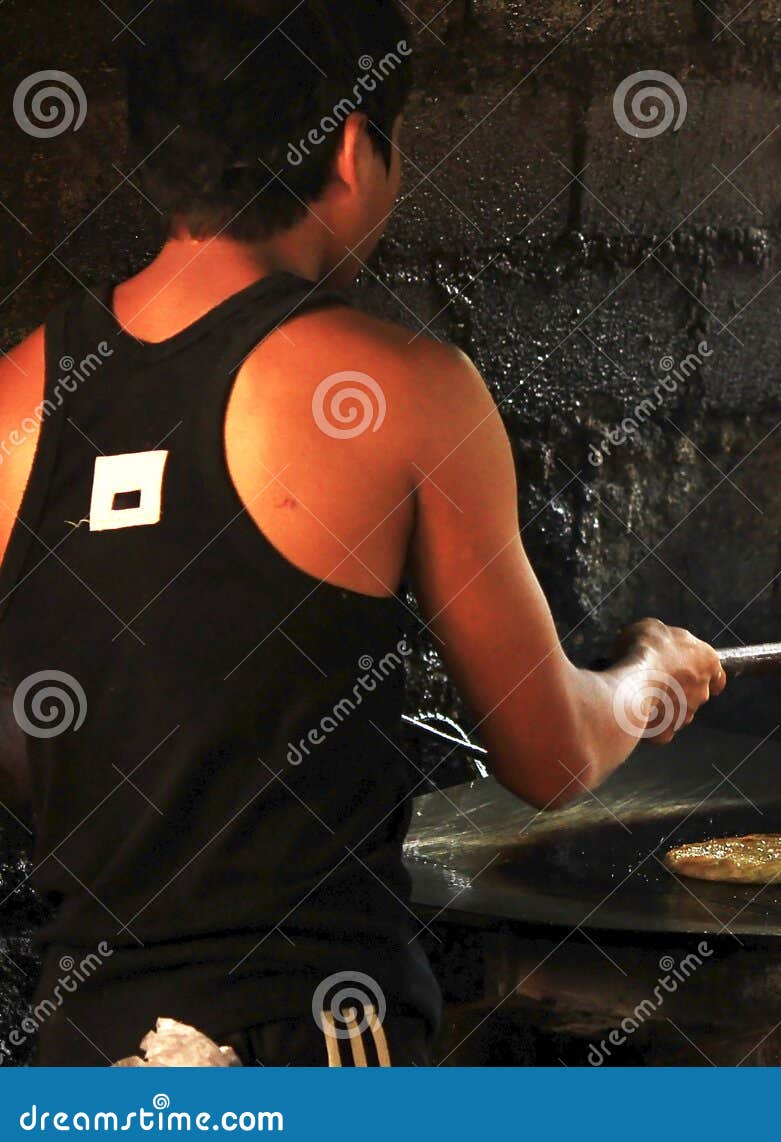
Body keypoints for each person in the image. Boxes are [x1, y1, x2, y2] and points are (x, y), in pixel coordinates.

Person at [0, 0, 725, 1066]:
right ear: (350, 146)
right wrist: (649, 677)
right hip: (308, 1042)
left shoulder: (17, 397)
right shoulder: (398, 387)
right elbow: (550, 751)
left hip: (80, 1049)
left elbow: (31, 757)